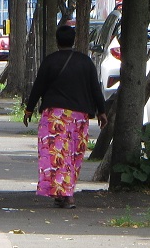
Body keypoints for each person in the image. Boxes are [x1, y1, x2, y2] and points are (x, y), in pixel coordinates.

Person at [23, 24, 108, 208]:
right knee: (72, 156)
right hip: (79, 118)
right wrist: (102, 111)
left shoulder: (50, 61)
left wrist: (29, 110)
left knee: (56, 155)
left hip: (55, 116)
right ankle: (62, 193)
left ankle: (67, 195)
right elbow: (95, 88)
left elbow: (38, 86)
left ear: (57, 40)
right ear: (74, 40)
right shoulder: (86, 62)